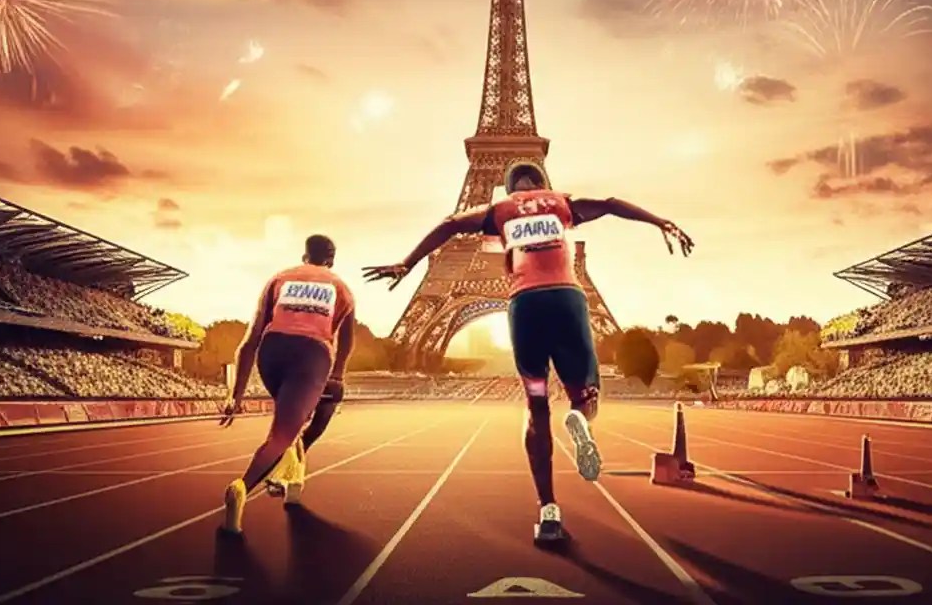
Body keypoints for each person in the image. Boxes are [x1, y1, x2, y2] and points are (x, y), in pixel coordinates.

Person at [363, 161, 693, 544]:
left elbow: (450, 224)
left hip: (525, 306)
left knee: (535, 405)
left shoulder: (501, 211)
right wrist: (660, 222)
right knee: (586, 392)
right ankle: (579, 415)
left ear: (508, 189)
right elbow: (611, 203)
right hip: (566, 300)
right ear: (542, 183)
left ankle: (548, 509)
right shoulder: (562, 202)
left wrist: (407, 262)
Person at [219, 234, 356, 536]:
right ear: (332, 260)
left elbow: (249, 340)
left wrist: (235, 395)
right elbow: (346, 342)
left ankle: (292, 470)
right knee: (285, 433)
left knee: (291, 418)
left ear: (304, 256)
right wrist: (338, 374)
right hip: (311, 356)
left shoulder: (279, 279)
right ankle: (241, 487)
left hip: (271, 354)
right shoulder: (341, 288)